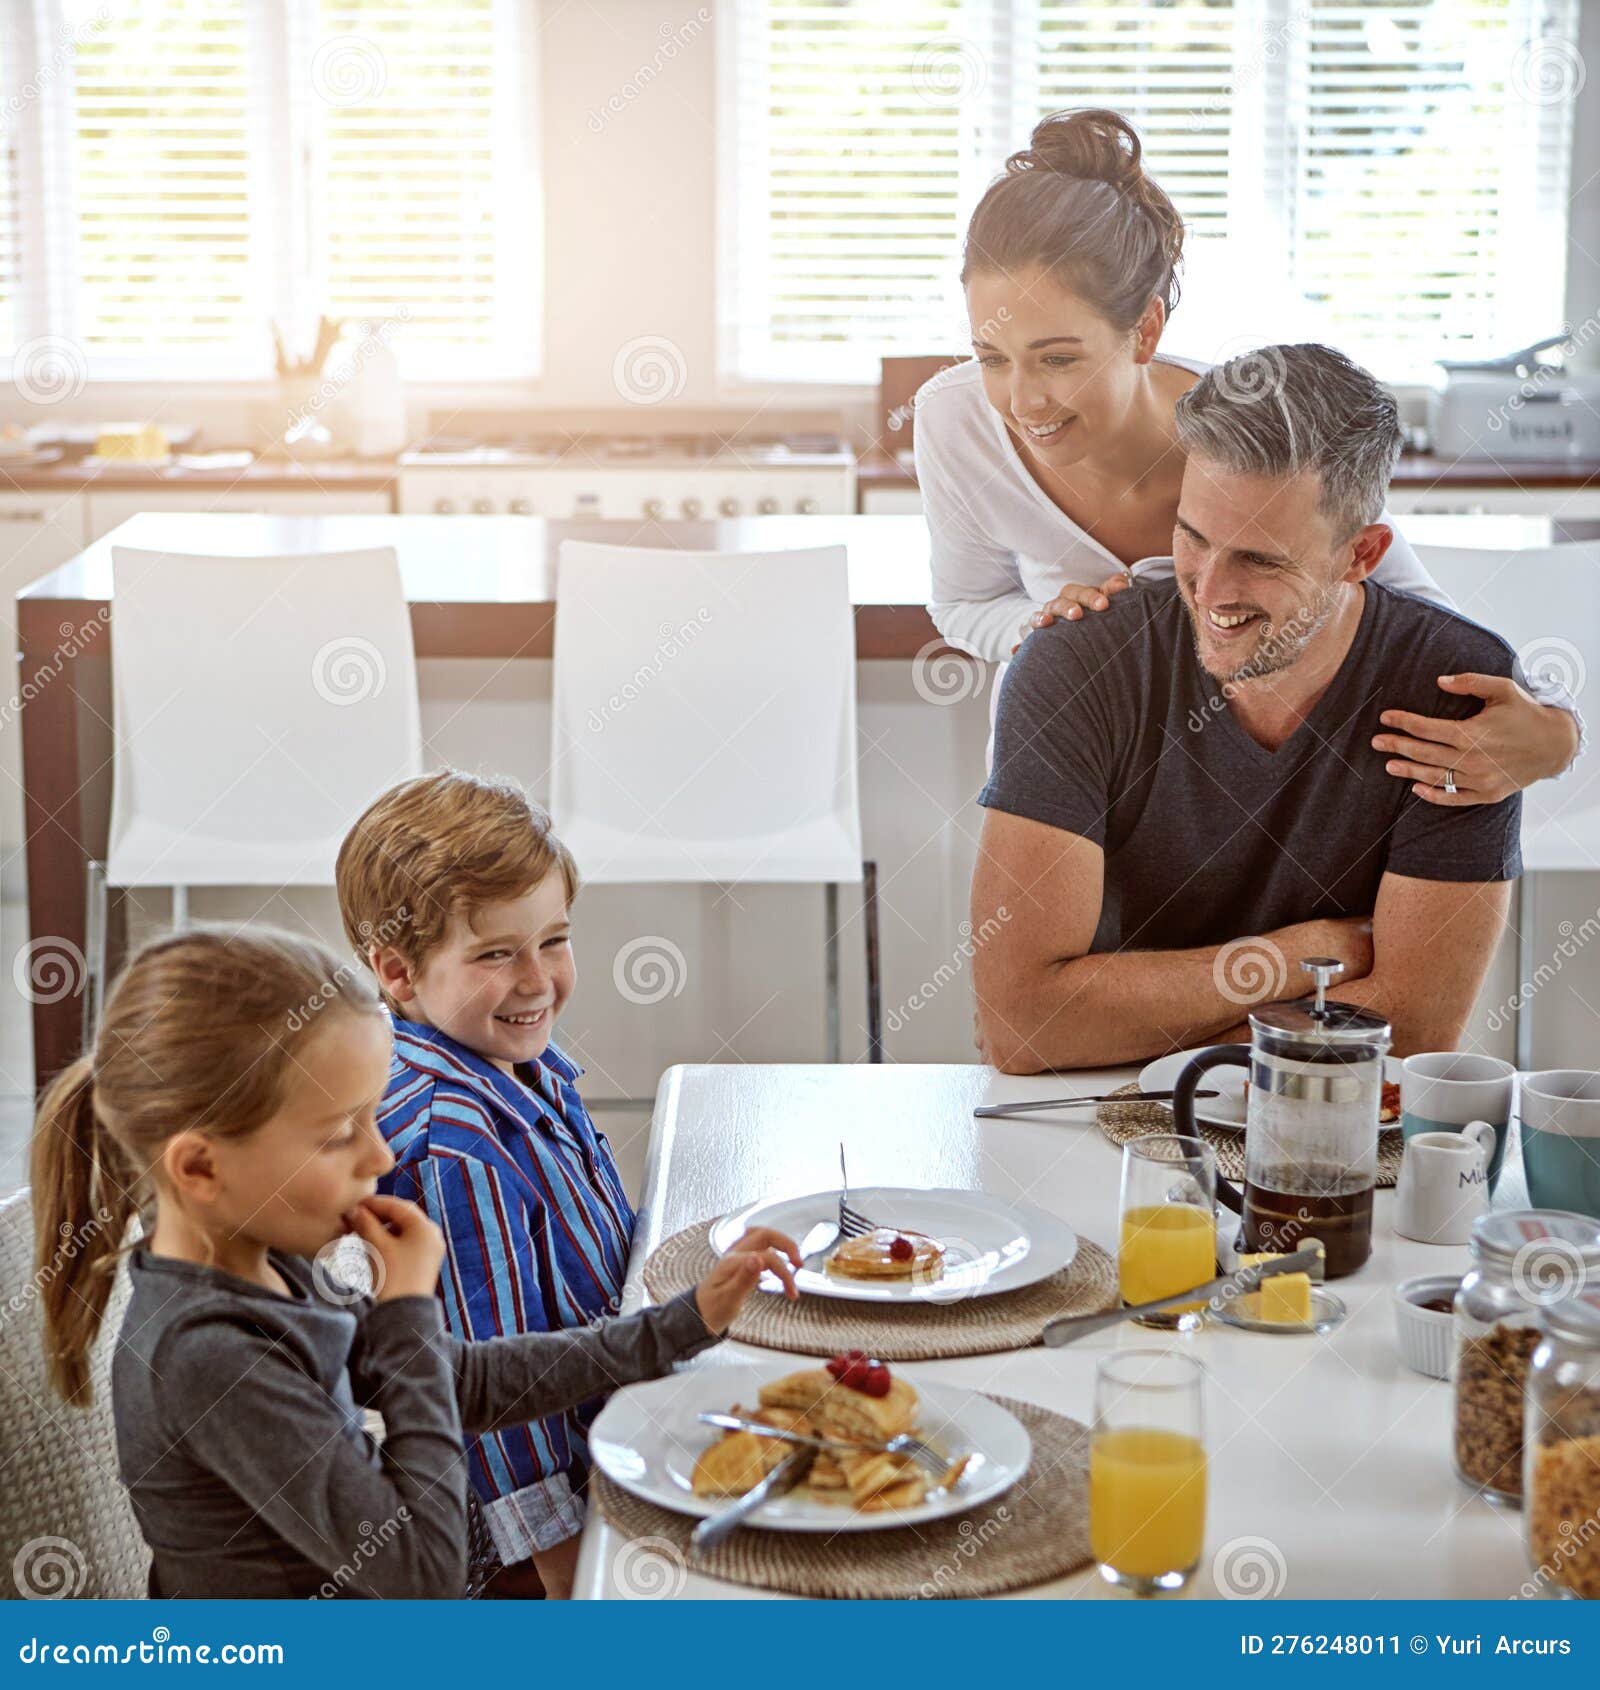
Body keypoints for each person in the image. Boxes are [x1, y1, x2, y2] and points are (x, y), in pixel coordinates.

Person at [30, 924, 798, 1599]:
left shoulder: (269, 1260)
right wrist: (407, 1308)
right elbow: (422, 1578)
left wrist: (685, 1320)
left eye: (373, 1115)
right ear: (200, 1168)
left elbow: (456, 1379)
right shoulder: (212, 1357)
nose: (381, 1153)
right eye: (339, 1134)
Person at [917, 106, 1580, 804]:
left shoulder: (1251, 429)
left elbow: (1413, 610)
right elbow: (965, 603)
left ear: (1145, 329)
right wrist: (1042, 621)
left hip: (1249, 797)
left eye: (1057, 359)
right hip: (1071, 774)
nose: (1023, 402)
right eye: (991, 357)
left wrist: (1559, 730)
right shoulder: (953, 420)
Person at [970, 344, 1519, 1072]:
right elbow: (1024, 1026)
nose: (1211, 590)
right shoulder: (1074, 666)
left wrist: (1121, 1018)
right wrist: (1303, 958)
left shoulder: (1457, 696)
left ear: (1361, 555)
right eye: (1193, 538)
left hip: (1334, 1121)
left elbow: (1413, 1034)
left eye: (1260, 560)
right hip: (1087, 1110)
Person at [334, 769, 646, 1599]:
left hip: (602, 1433)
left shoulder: (519, 1065)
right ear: (399, 974)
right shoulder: (453, 1146)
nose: (537, 979)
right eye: (496, 953)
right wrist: (571, 1583)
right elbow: (501, 1394)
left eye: (553, 939)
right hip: (523, 1551)